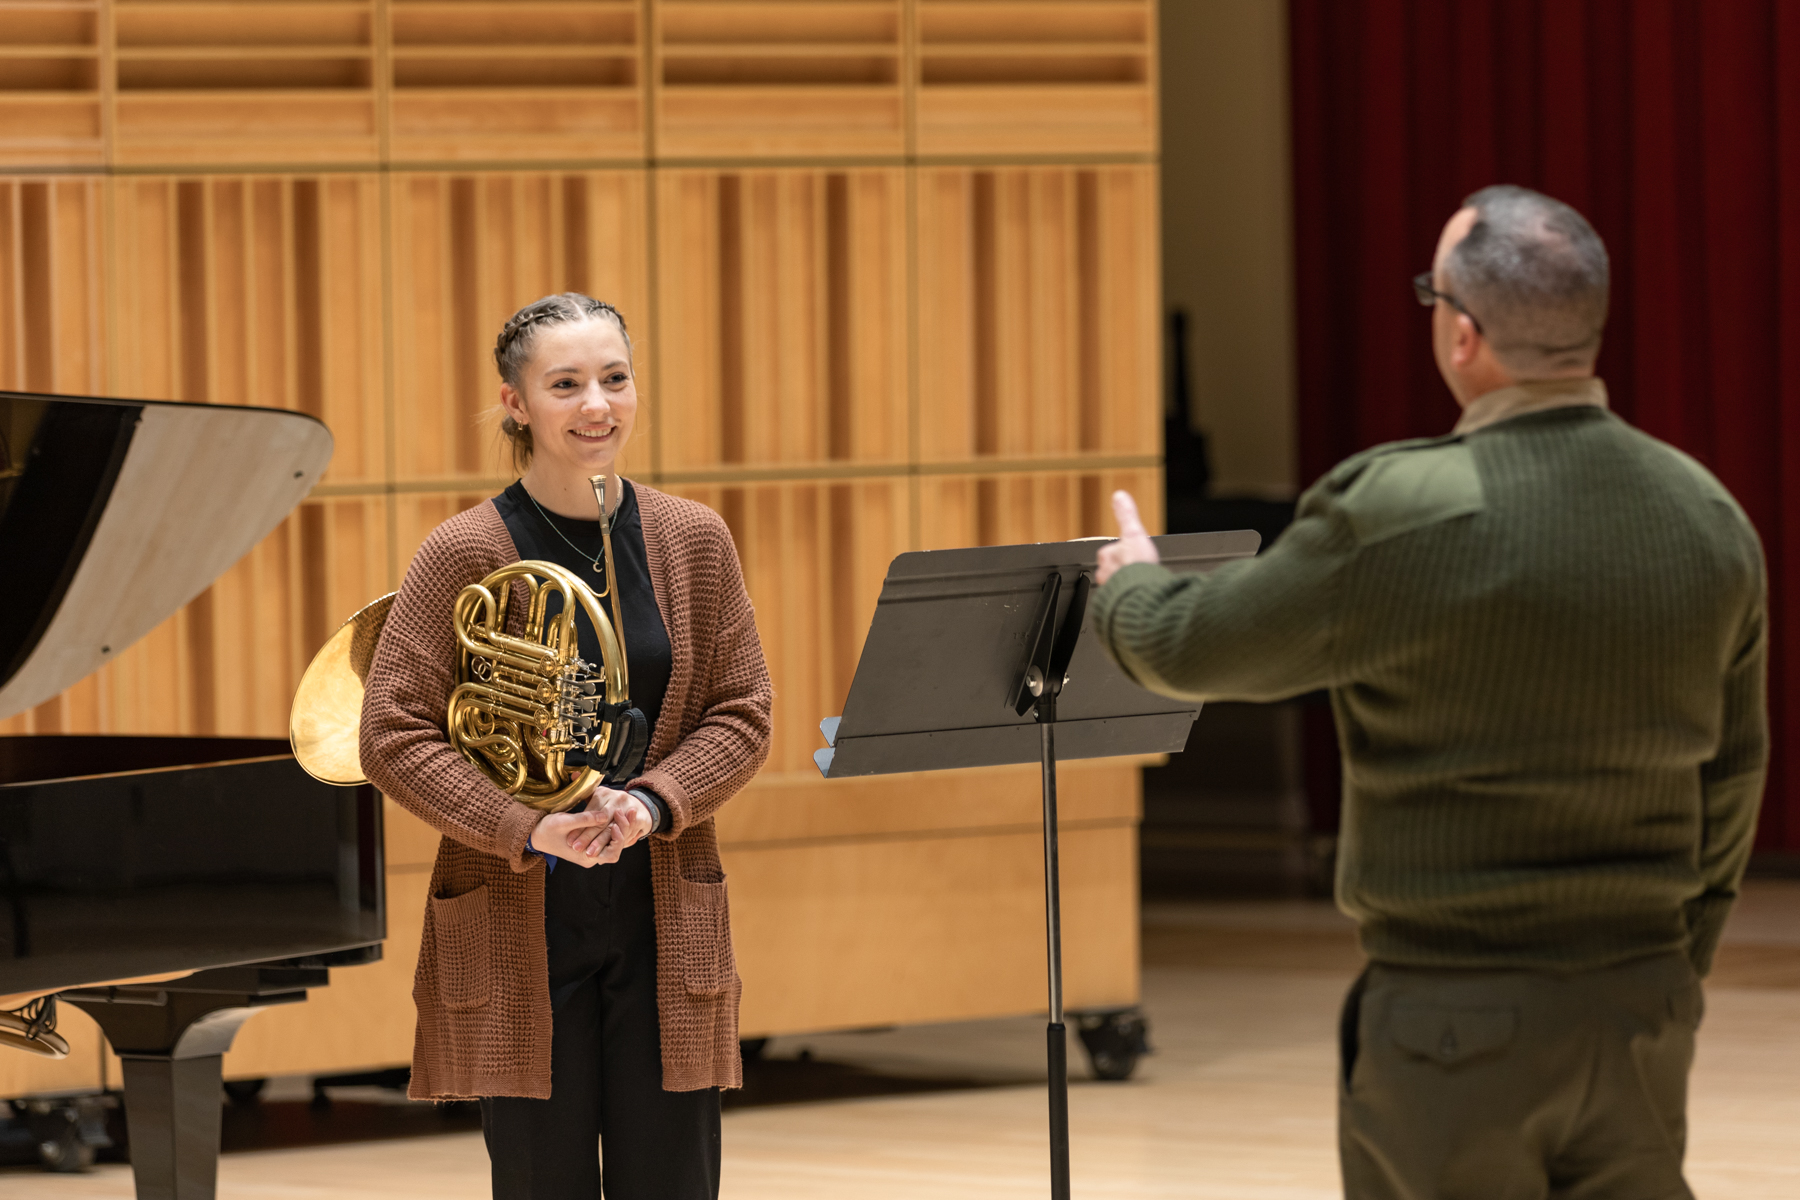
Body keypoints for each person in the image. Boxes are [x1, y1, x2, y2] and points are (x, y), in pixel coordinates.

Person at [1093, 186, 1766, 1199]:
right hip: (1643, 1005)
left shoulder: (1402, 508)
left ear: (1462, 333)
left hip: (1454, 1020)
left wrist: (1130, 587)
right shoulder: (1708, 516)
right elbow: (1734, 781)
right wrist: (1675, 967)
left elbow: (1191, 650)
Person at [360, 293, 773, 1199]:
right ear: (516, 403)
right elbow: (391, 732)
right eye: (566, 385)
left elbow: (743, 712)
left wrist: (652, 801)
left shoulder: (694, 539)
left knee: (674, 1180)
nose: (597, 405)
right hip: (522, 898)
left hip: (660, 891)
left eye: (614, 379)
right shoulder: (462, 551)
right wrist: (528, 824)